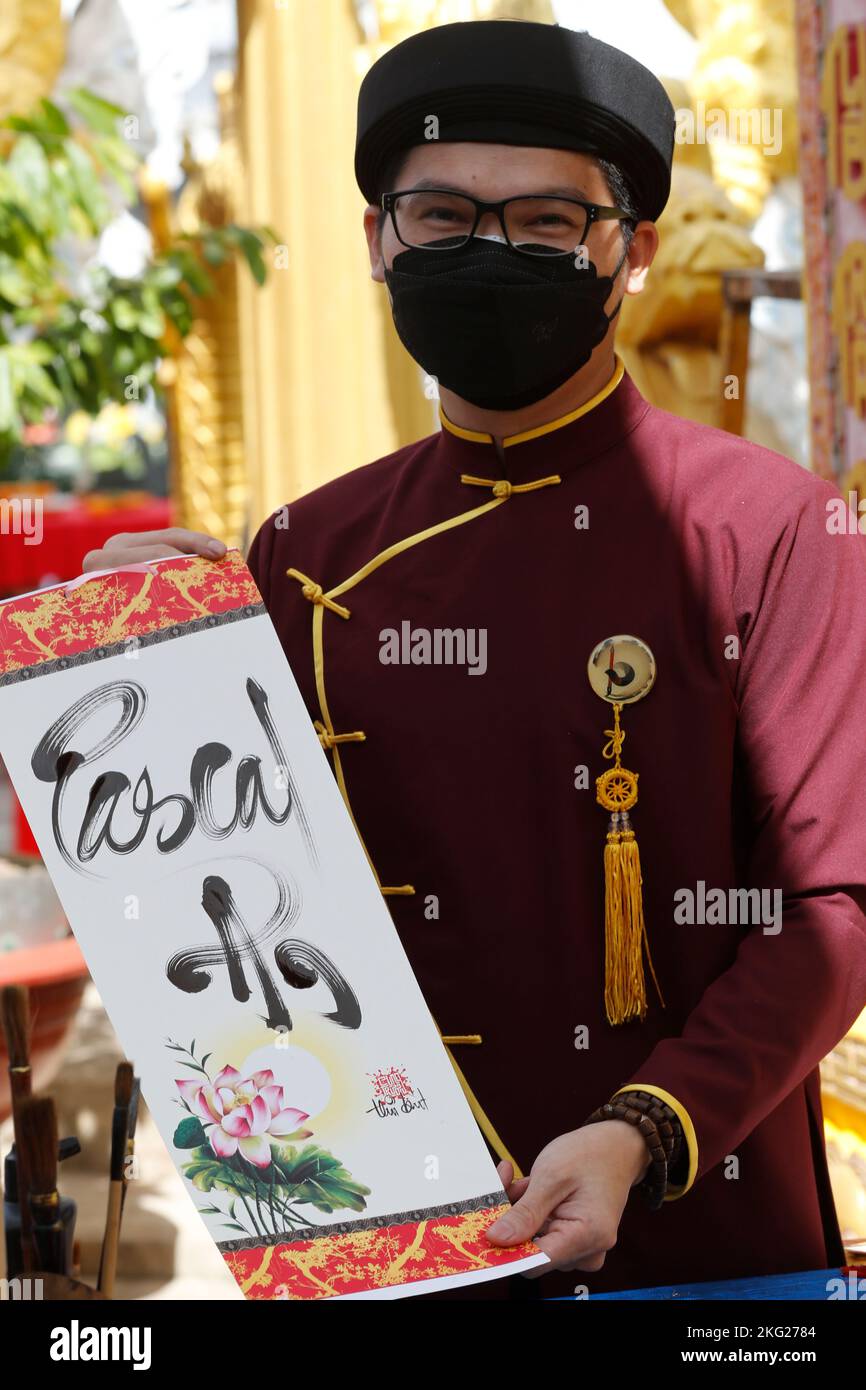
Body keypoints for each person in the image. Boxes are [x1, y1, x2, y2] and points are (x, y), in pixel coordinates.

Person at [84, 19, 866, 1300]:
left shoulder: (771, 528)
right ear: (379, 243)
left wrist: (641, 1133)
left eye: (548, 222)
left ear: (633, 253)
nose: (490, 251)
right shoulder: (301, 552)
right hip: (378, 1254)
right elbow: (216, 902)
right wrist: (132, 669)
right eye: (441, 216)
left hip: (699, 1254)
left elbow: (827, 912)